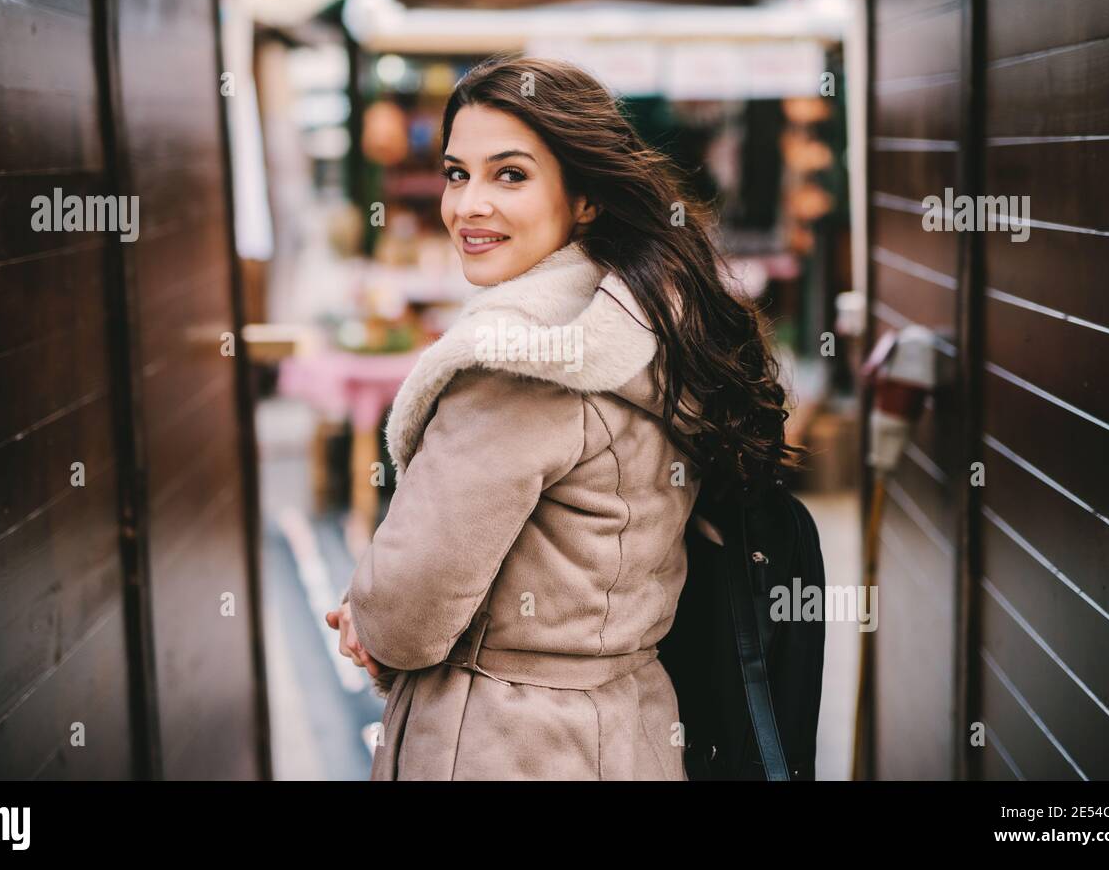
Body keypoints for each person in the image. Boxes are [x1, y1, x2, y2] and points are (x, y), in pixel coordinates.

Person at [324, 54, 798, 780]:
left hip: (501, 744)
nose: (468, 205)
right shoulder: (648, 319)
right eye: (458, 173)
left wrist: (368, 611)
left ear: (584, 198)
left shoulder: (516, 362)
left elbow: (407, 614)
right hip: (631, 729)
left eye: (509, 174)